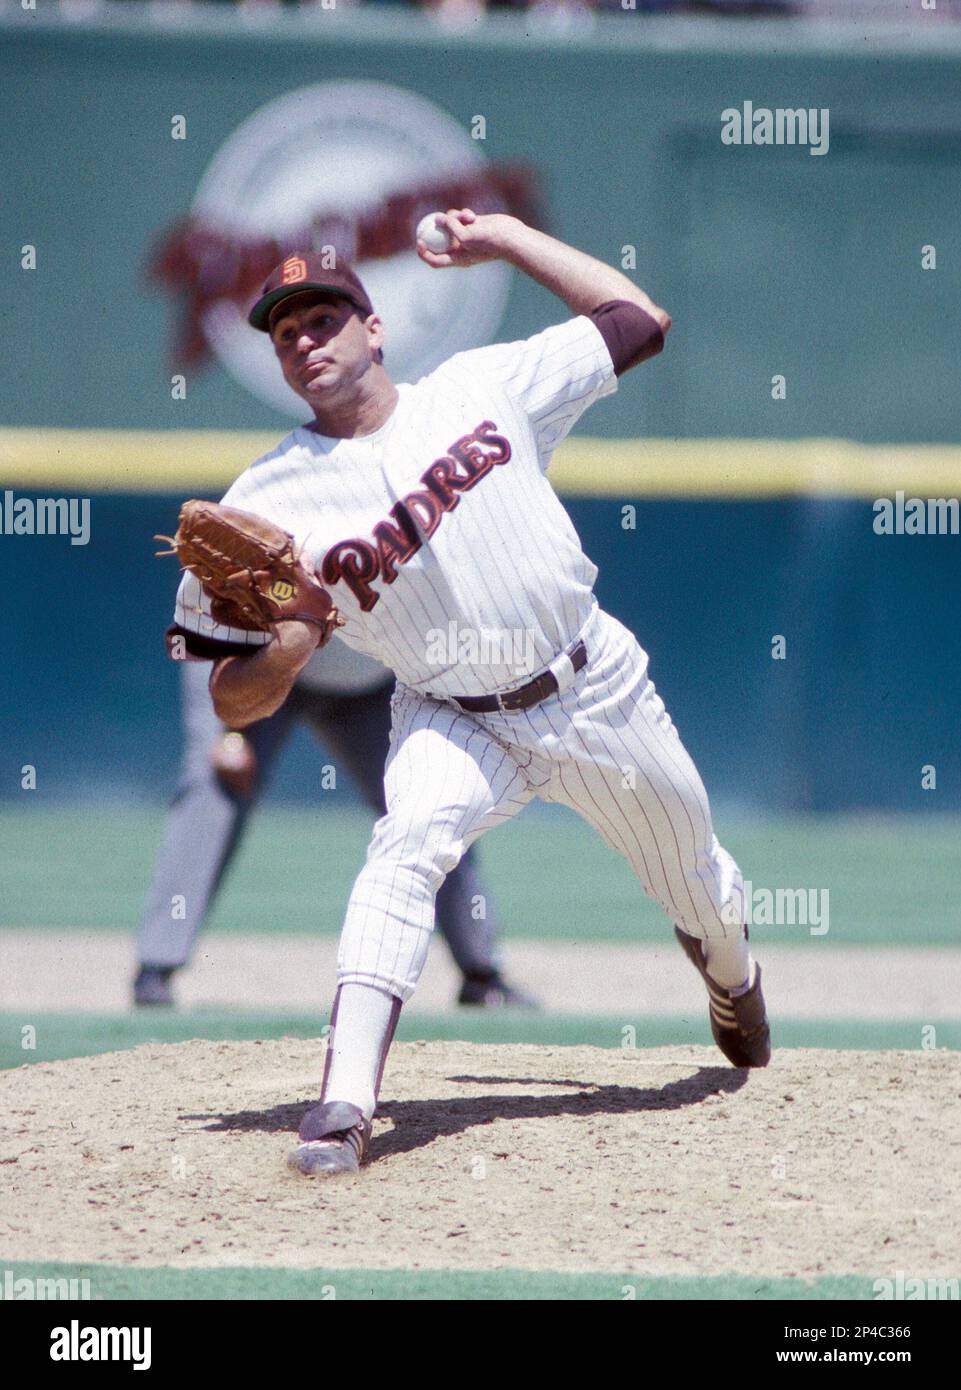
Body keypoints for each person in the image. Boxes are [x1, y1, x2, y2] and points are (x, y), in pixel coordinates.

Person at [166, 211, 771, 1178]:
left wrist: (505, 238)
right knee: (402, 850)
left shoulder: (482, 385)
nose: (305, 342)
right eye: (285, 334)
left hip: (591, 687)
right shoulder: (264, 500)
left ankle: (732, 976)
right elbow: (233, 703)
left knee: (694, 879)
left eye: (322, 320)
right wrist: (282, 650)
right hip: (450, 716)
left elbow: (638, 318)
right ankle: (343, 1108)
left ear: (375, 330)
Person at [134, 649, 536, 1008]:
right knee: (214, 789)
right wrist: (224, 729)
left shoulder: (418, 564)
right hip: (253, 666)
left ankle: (482, 974)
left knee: (432, 801)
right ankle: (155, 967)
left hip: (371, 684)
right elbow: (211, 604)